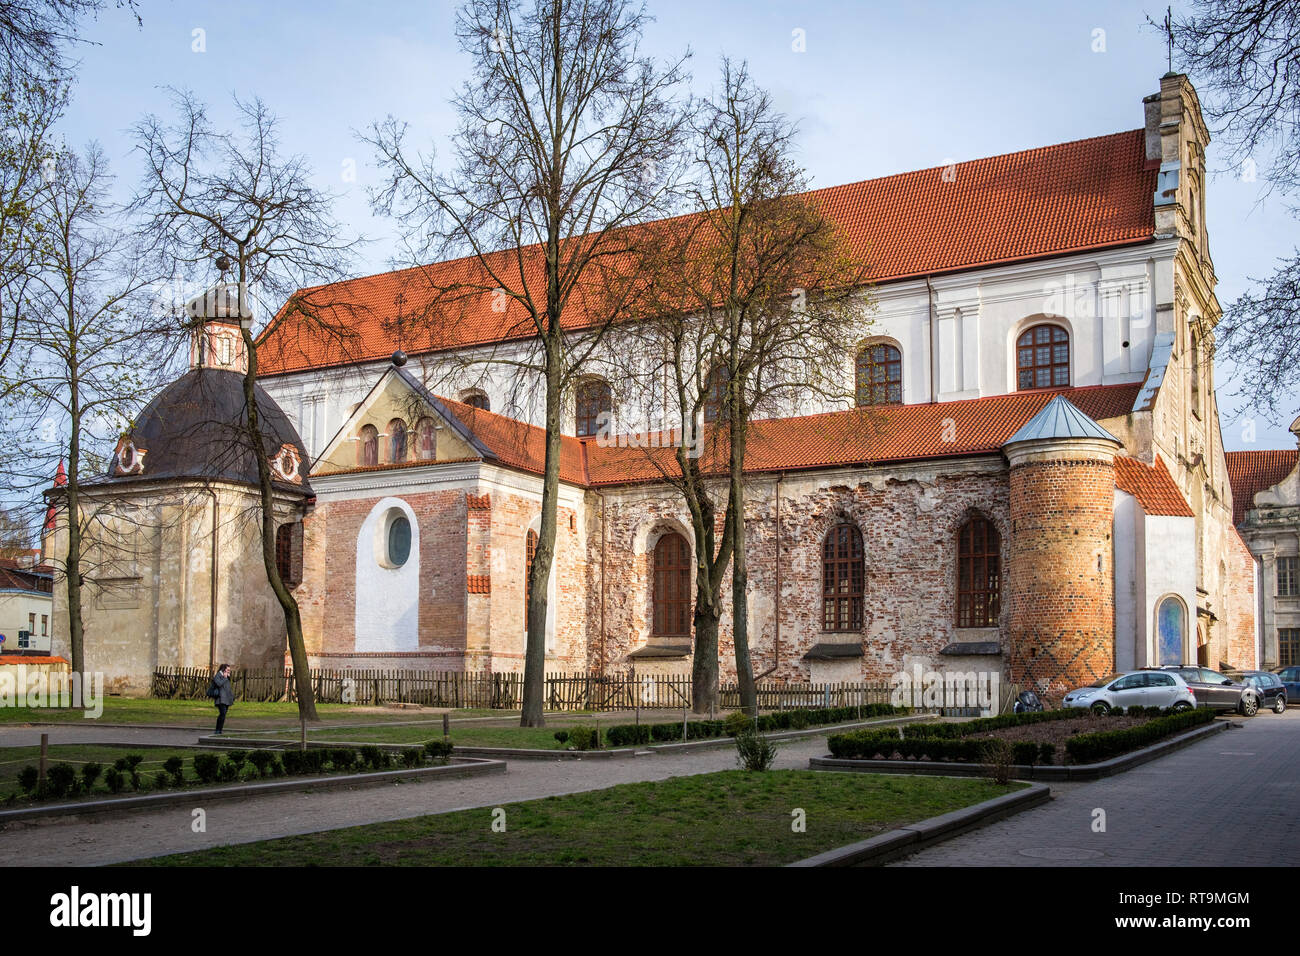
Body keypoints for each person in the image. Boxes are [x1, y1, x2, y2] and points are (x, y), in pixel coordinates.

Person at [211, 663, 234, 735]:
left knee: (223, 715)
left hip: (226, 699)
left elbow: (228, 688)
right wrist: (224, 678)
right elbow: (219, 684)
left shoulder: (226, 676)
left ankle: (220, 730)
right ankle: (217, 730)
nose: (229, 671)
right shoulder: (218, 675)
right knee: (222, 714)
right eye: (228, 670)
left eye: (229, 670)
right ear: (223, 669)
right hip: (220, 699)